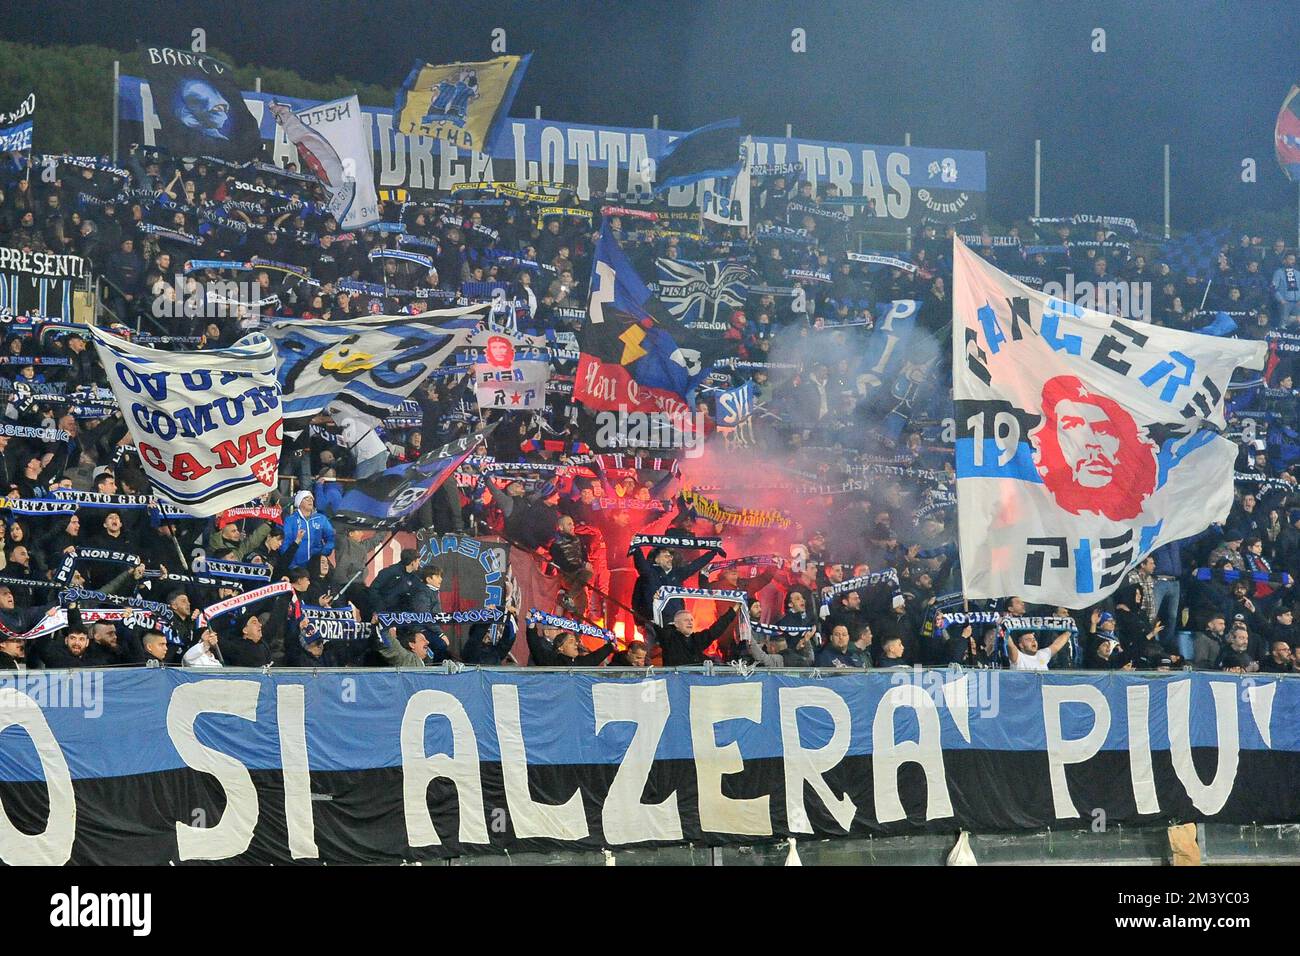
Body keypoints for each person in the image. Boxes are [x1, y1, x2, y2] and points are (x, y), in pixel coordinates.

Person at [652, 606, 738, 666]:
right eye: (686, 620)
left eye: (691, 620)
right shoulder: (669, 639)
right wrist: (656, 603)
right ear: (676, 624)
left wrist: (733, 610)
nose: (690, 623)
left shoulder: (697, 639)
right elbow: (656, 624)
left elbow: (715, 630)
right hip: (676, 684)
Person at [280, 490, 335, 569]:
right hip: (296, 567)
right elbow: (285, 543)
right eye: (306, 498)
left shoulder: (321, 518)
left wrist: (324, 552)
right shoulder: (290, 520)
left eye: (311, 499)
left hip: (315, 567)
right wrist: (291, 564)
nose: (310, 500)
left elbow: (331, 537)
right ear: (299, 502)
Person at [1006, 629, 1073, 671]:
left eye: (1034, 639)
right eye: (1029, 639)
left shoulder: (1041, 654)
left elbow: (1056, 645)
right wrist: (1004, 629)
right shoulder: (1018, 657)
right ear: (1021, 645)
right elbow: (1011, 646)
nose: (1033, 641)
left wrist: (1070, 630)